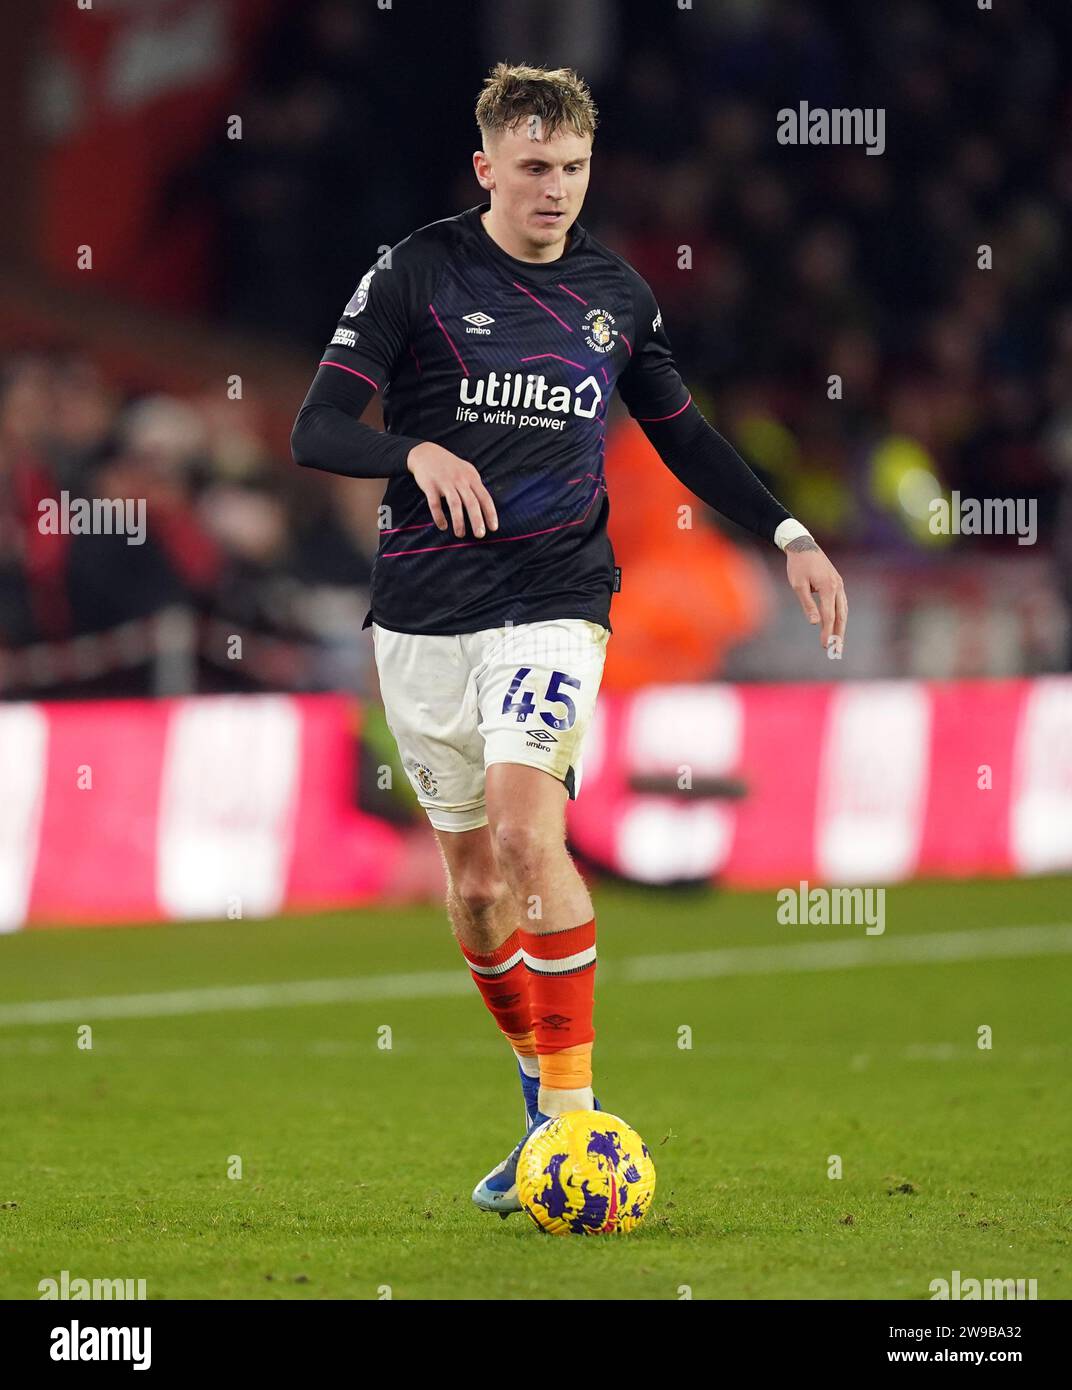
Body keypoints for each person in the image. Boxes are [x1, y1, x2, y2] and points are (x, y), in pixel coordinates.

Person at [291, 62, 847, 1216]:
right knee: (475, 886)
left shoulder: (617, 298)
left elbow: (685, 437)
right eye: (534, 168)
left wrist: (789, 530)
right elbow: (317, 426)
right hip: (422, 616)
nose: (555, 190)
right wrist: (414, 453)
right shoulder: (417, 273)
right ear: (487, 167)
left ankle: (573, 1116)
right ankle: (537, 1091)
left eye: (574, 169)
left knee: (524, 824)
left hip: (555, 598)